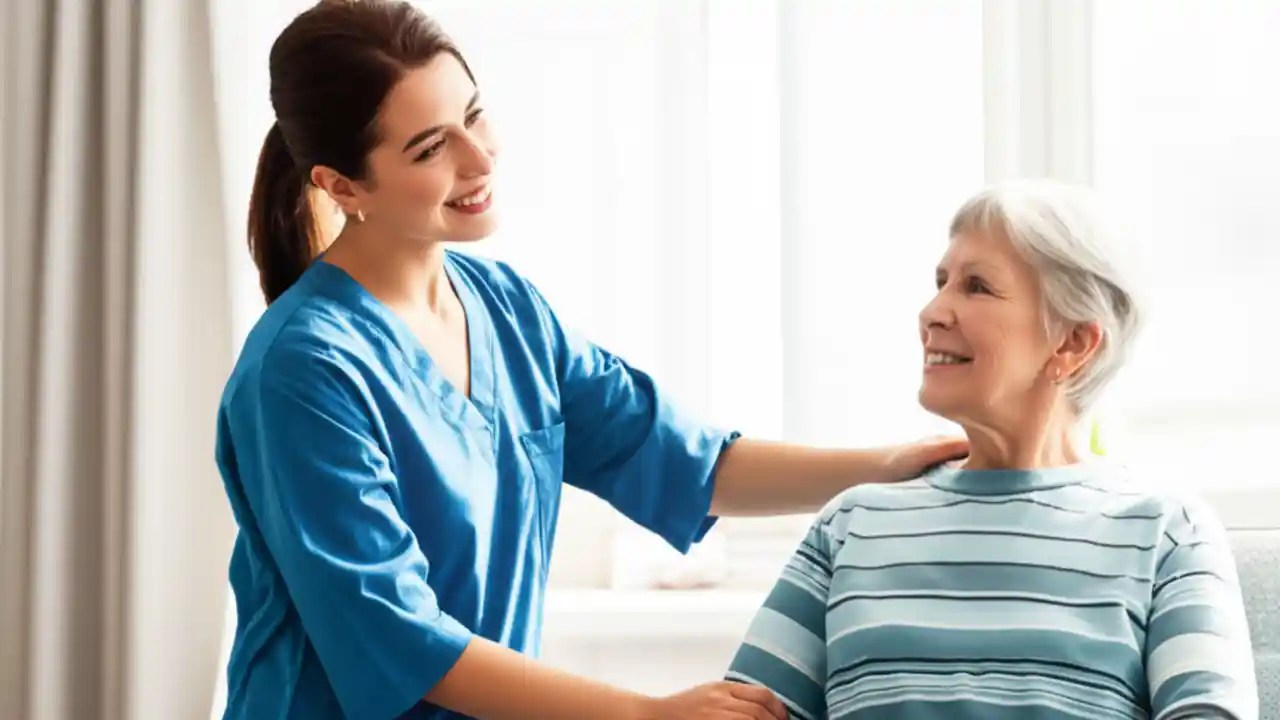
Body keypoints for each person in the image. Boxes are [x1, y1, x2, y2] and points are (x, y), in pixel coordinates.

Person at [213, 2, 967, 718]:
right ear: (342, 186)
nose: (480, 158)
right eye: (432, 146)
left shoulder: (503, 307)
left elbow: (680, 460)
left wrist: (884, 467)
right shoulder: (303, 373)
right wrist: (644, 712)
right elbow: (398, 637)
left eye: (473, 115)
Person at [724, 180, 1259, 719]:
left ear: (1072, 342)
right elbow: (743, 712)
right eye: (940, 282)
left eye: (976, 286)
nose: (932, 311)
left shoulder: (1164, 529)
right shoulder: (852, 522)